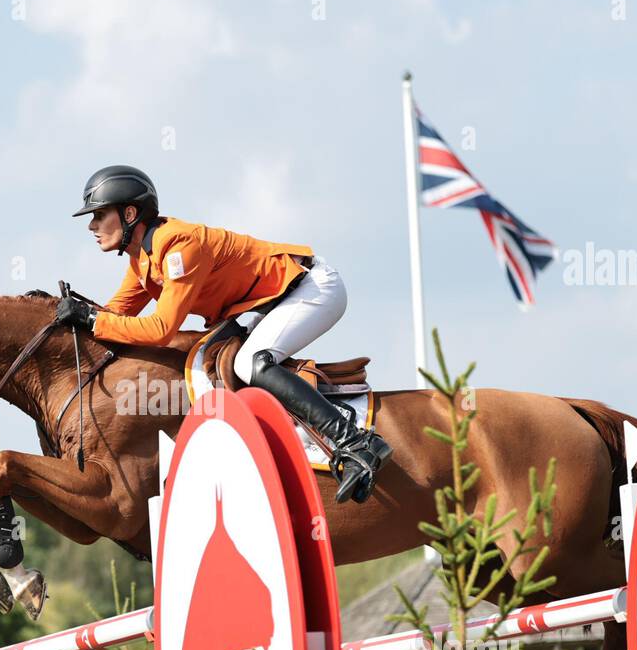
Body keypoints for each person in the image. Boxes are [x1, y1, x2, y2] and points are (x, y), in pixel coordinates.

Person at [57, 165, 391, 503]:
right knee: (205, 365)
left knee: (251, 363)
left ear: (129, 213)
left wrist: (93, 319)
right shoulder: (142, 259)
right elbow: (114, 317)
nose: (92, 225)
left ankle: (356, 442)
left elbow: (160, 329)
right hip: (267, 303)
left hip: (311, 288)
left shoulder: (177, 245)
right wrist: (72, 320)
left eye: (99, 214)